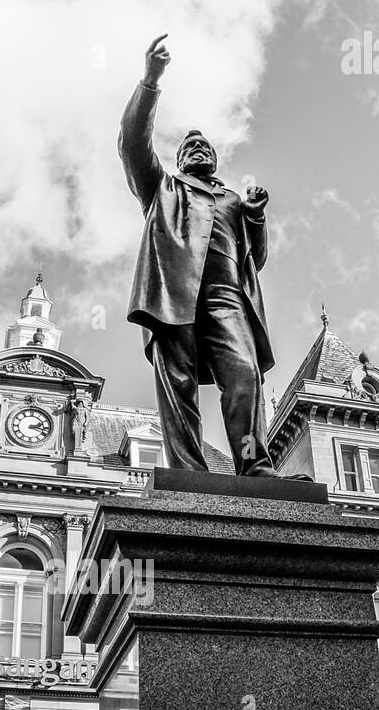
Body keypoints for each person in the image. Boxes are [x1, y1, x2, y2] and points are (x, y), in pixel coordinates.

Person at [118, 33, 283, 477]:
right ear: (180, 160)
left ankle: (253, 466)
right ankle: (189, 470)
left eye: (205, 147)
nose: (198, 149)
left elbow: (256, 260)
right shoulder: (163, 188)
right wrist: (151, 81)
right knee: (179, 383)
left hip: (226, 296)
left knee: (244, 373)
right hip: (173, 294)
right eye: (189, 147)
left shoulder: (233, 200)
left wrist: (256, 218)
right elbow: (132, 144)